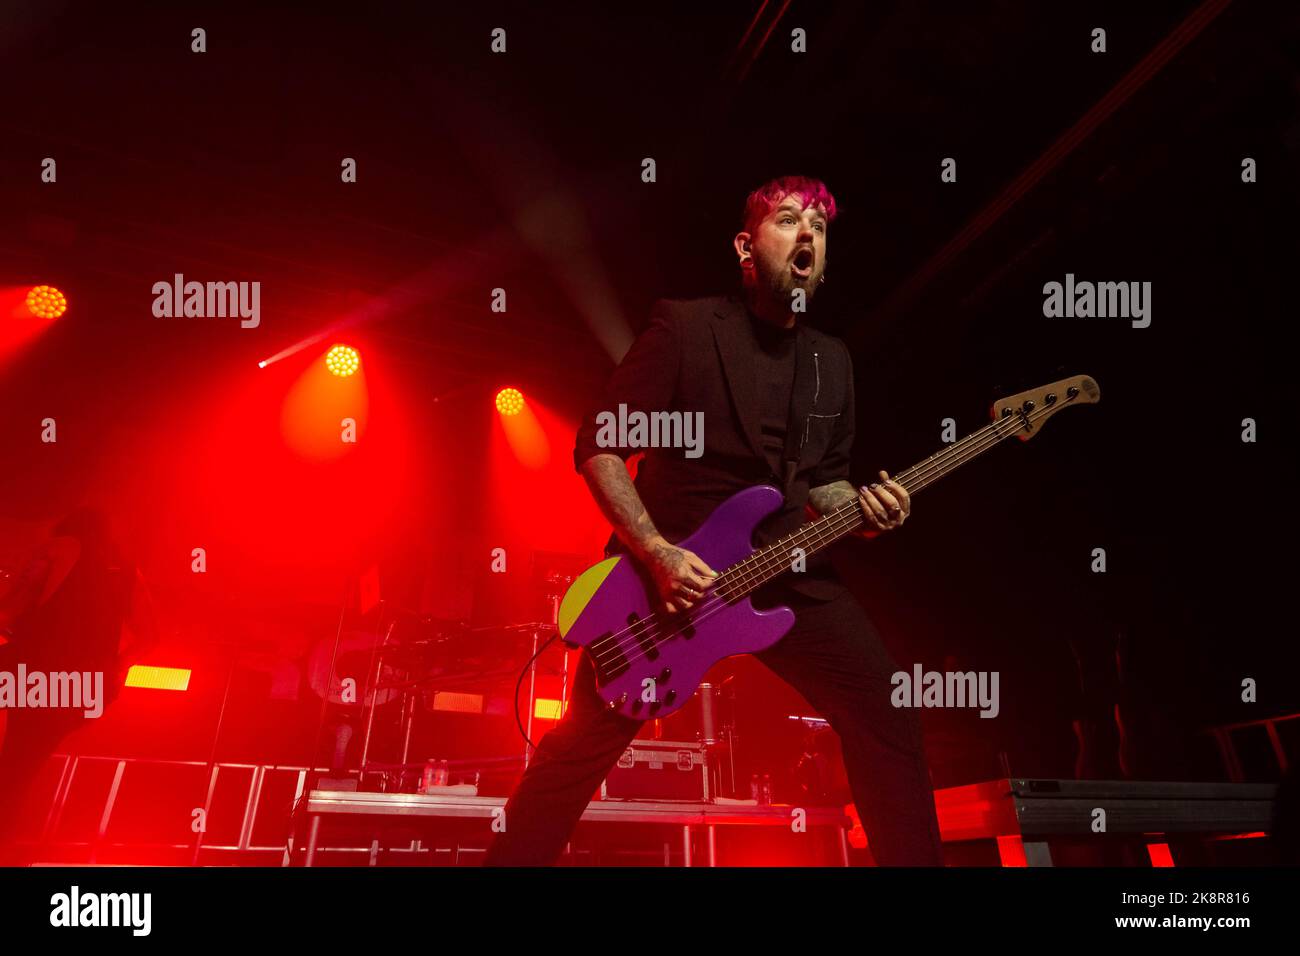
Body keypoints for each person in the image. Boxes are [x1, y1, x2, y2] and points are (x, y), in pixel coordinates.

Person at [484, 175, 943, 865]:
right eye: (789, 220)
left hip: (787, 571)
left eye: (820, 226)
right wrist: (656, 552)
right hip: (671, 582)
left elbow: (825, 485)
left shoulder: (832, 361)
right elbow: (601, 444)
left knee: (886, 713)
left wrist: (869, 511)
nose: (808, 234)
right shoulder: (686, 326)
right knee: (583, 746)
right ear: (745, 246)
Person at [0, 504, 158, 863]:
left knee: (13, 765)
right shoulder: (128, 570)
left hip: (35, 669)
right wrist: (113, 668)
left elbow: (13, 607)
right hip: (86, 687)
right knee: (20, 769)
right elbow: (150, 637)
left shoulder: (60, 547)